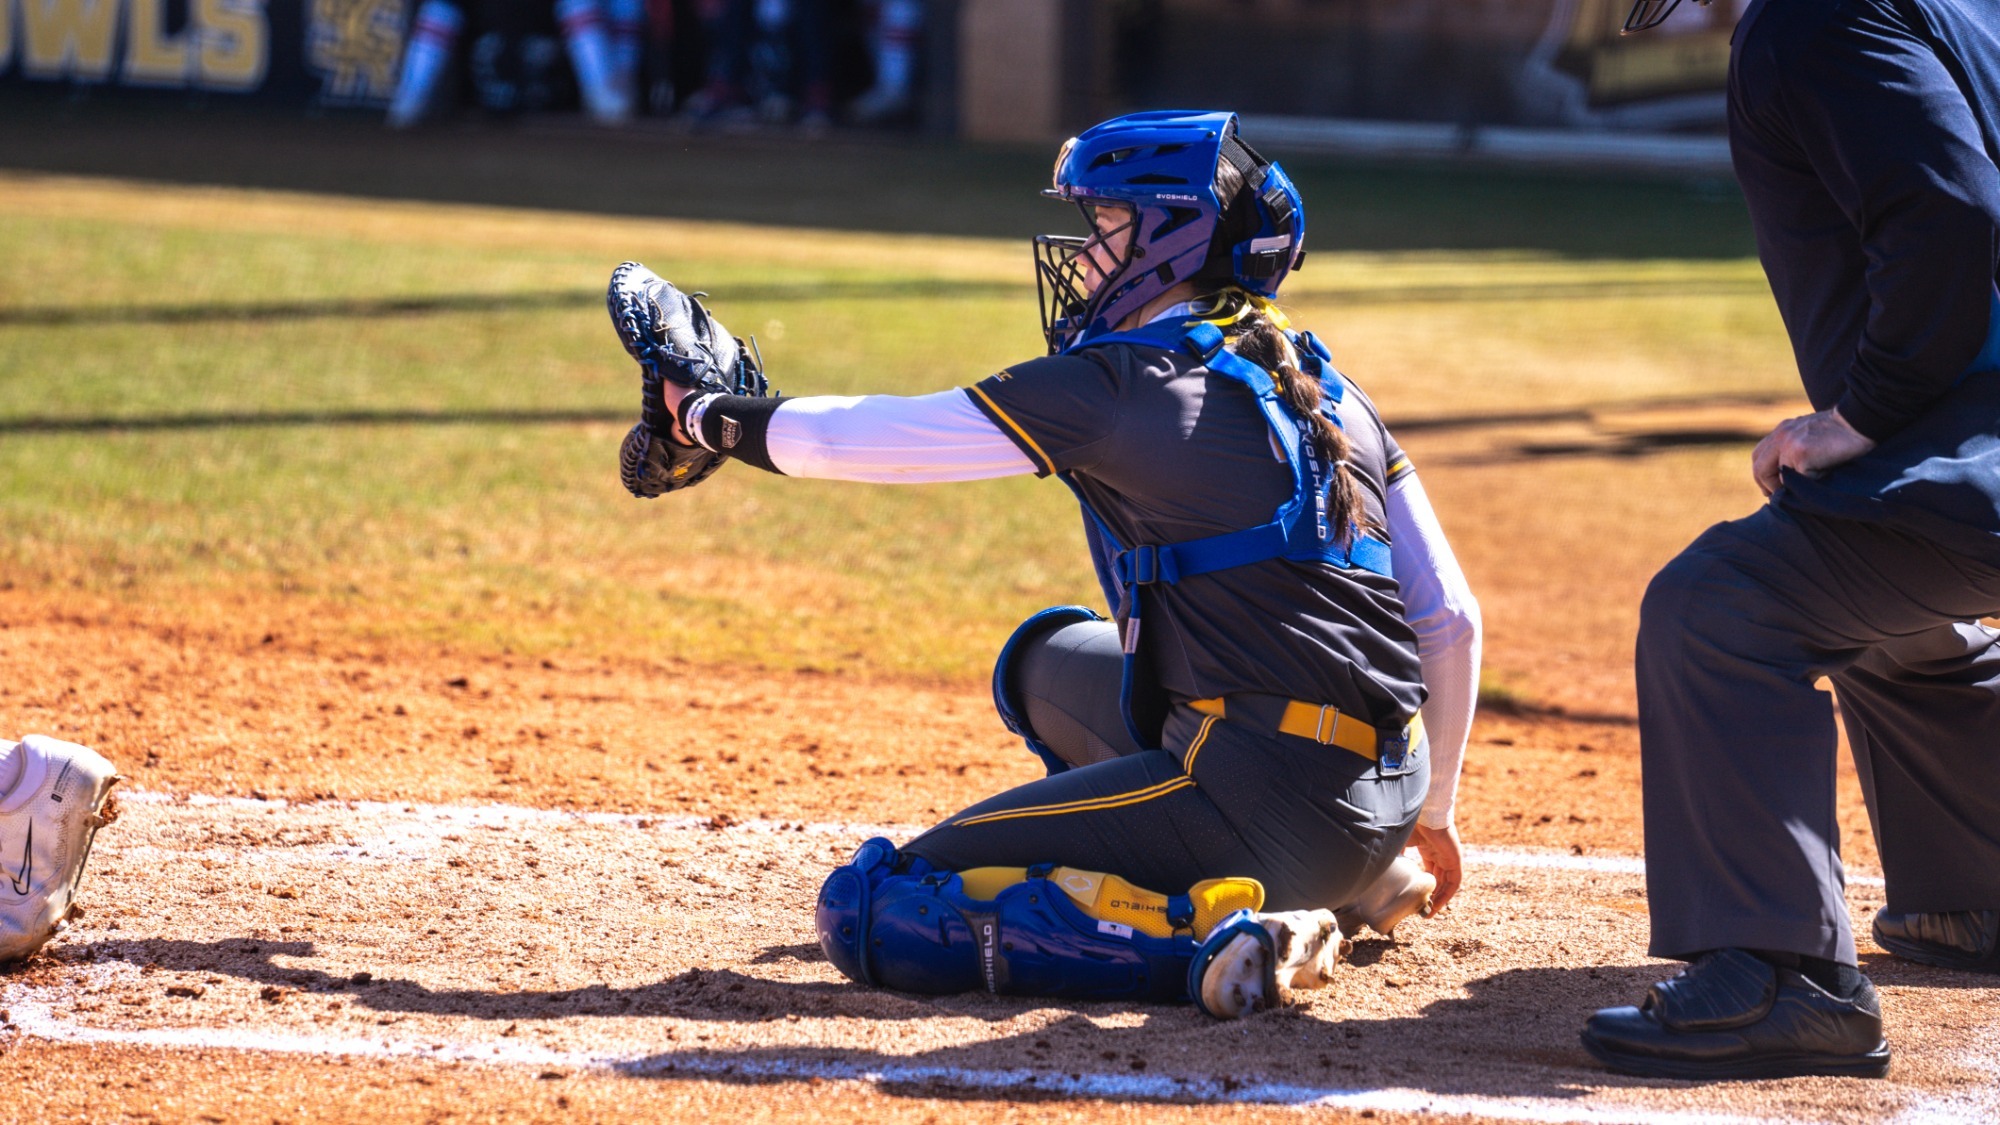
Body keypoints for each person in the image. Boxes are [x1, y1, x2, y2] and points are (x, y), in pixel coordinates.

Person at [608, 111, 1481, 1015]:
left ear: (1173, 239)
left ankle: (1220, 932)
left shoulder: (1122, 383)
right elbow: (1449, 619)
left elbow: (871, 437)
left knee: (876, 908)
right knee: (1042, 661)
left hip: (1268, 793)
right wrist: (1435, 813)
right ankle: (1353, 875)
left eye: (1107, 227)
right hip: (1390, 788)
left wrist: (712, 415)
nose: (1086, 251)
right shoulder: (1328, 382)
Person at [1584, 0, 2000, 1080]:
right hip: (1968, 461)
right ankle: (1977, 895)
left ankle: (1781, 978)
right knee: (1888, 618)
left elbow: (1950, 211)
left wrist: (1864, 412)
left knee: (1719, 608)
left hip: (1978, 454)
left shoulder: (1805, 20)